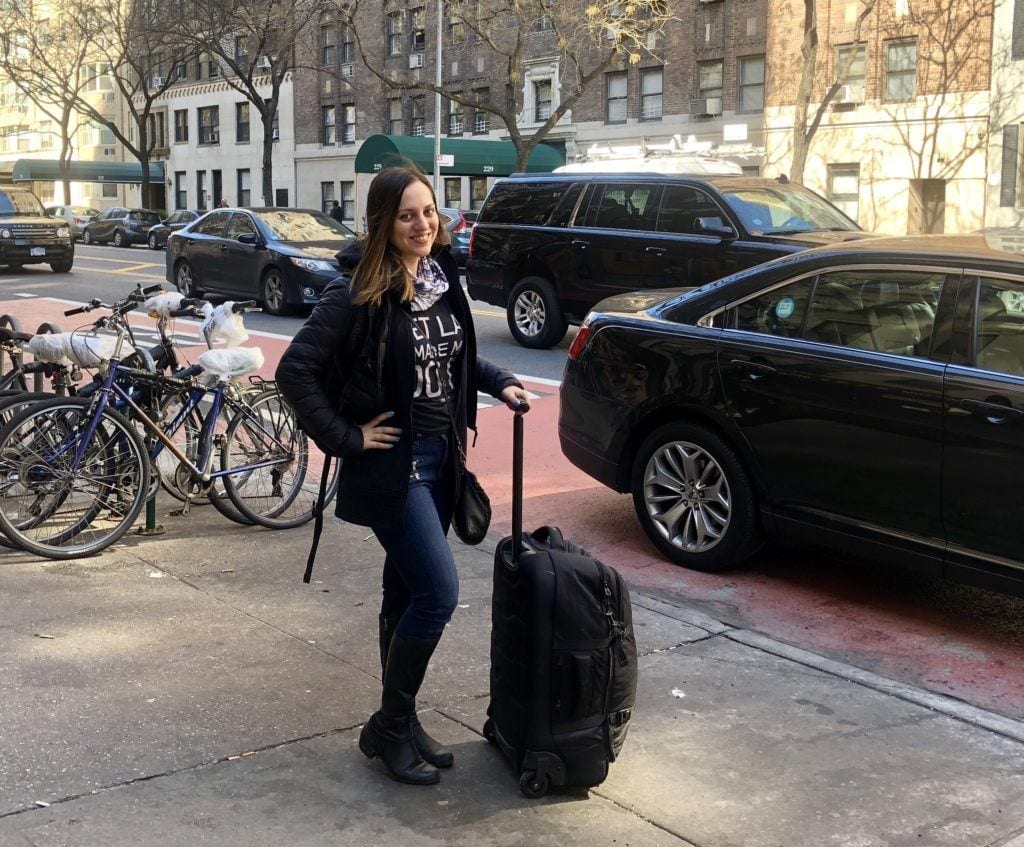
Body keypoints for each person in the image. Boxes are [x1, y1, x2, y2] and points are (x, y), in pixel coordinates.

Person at [275, 166, 529, 786]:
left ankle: (402, 718)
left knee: (405, 593)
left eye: (430, 212)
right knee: (438, 594)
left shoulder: (440, 283)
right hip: (395, 469)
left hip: (443, 461)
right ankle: (389, 727)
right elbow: (295, 372)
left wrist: (499, 382)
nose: (423, 225)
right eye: (407, 215)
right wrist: (347, 438)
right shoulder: (356, 295)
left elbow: (455, 354)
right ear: (382, 223)